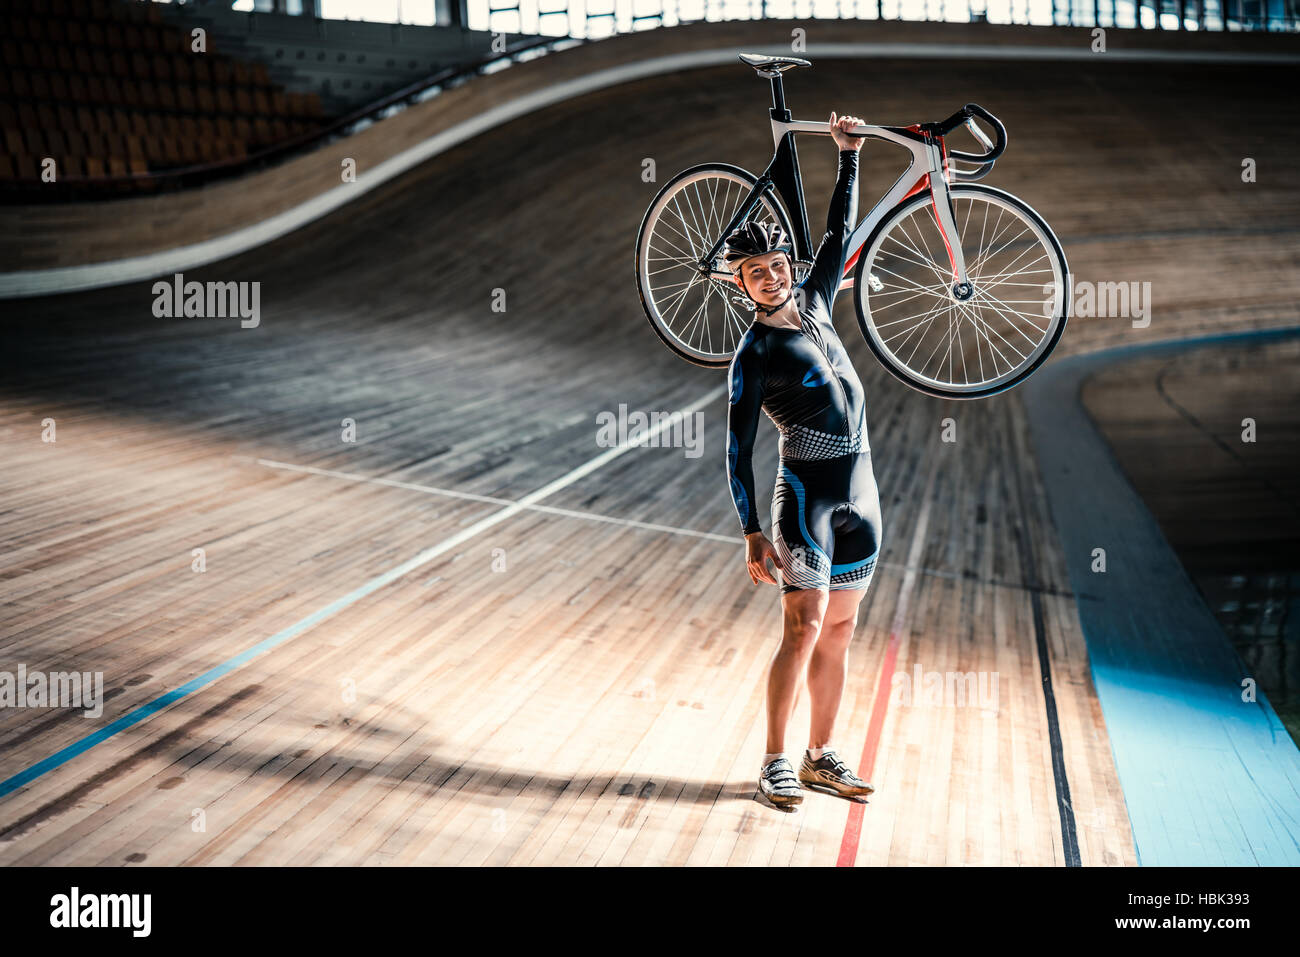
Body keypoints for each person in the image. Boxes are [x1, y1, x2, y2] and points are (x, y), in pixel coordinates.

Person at [724, 112, 883, 807]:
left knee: (841, 629)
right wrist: (752, 528)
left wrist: (847, 156)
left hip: (862, 496)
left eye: (776, 266)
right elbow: (736, 446)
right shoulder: (753, 355)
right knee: (802, 627)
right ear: (740, 283)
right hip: (806, 499)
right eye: (754, 273)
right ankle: (773, 761)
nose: (769, 277)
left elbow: (838, 234)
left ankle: (821, 755)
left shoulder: (817, 300)